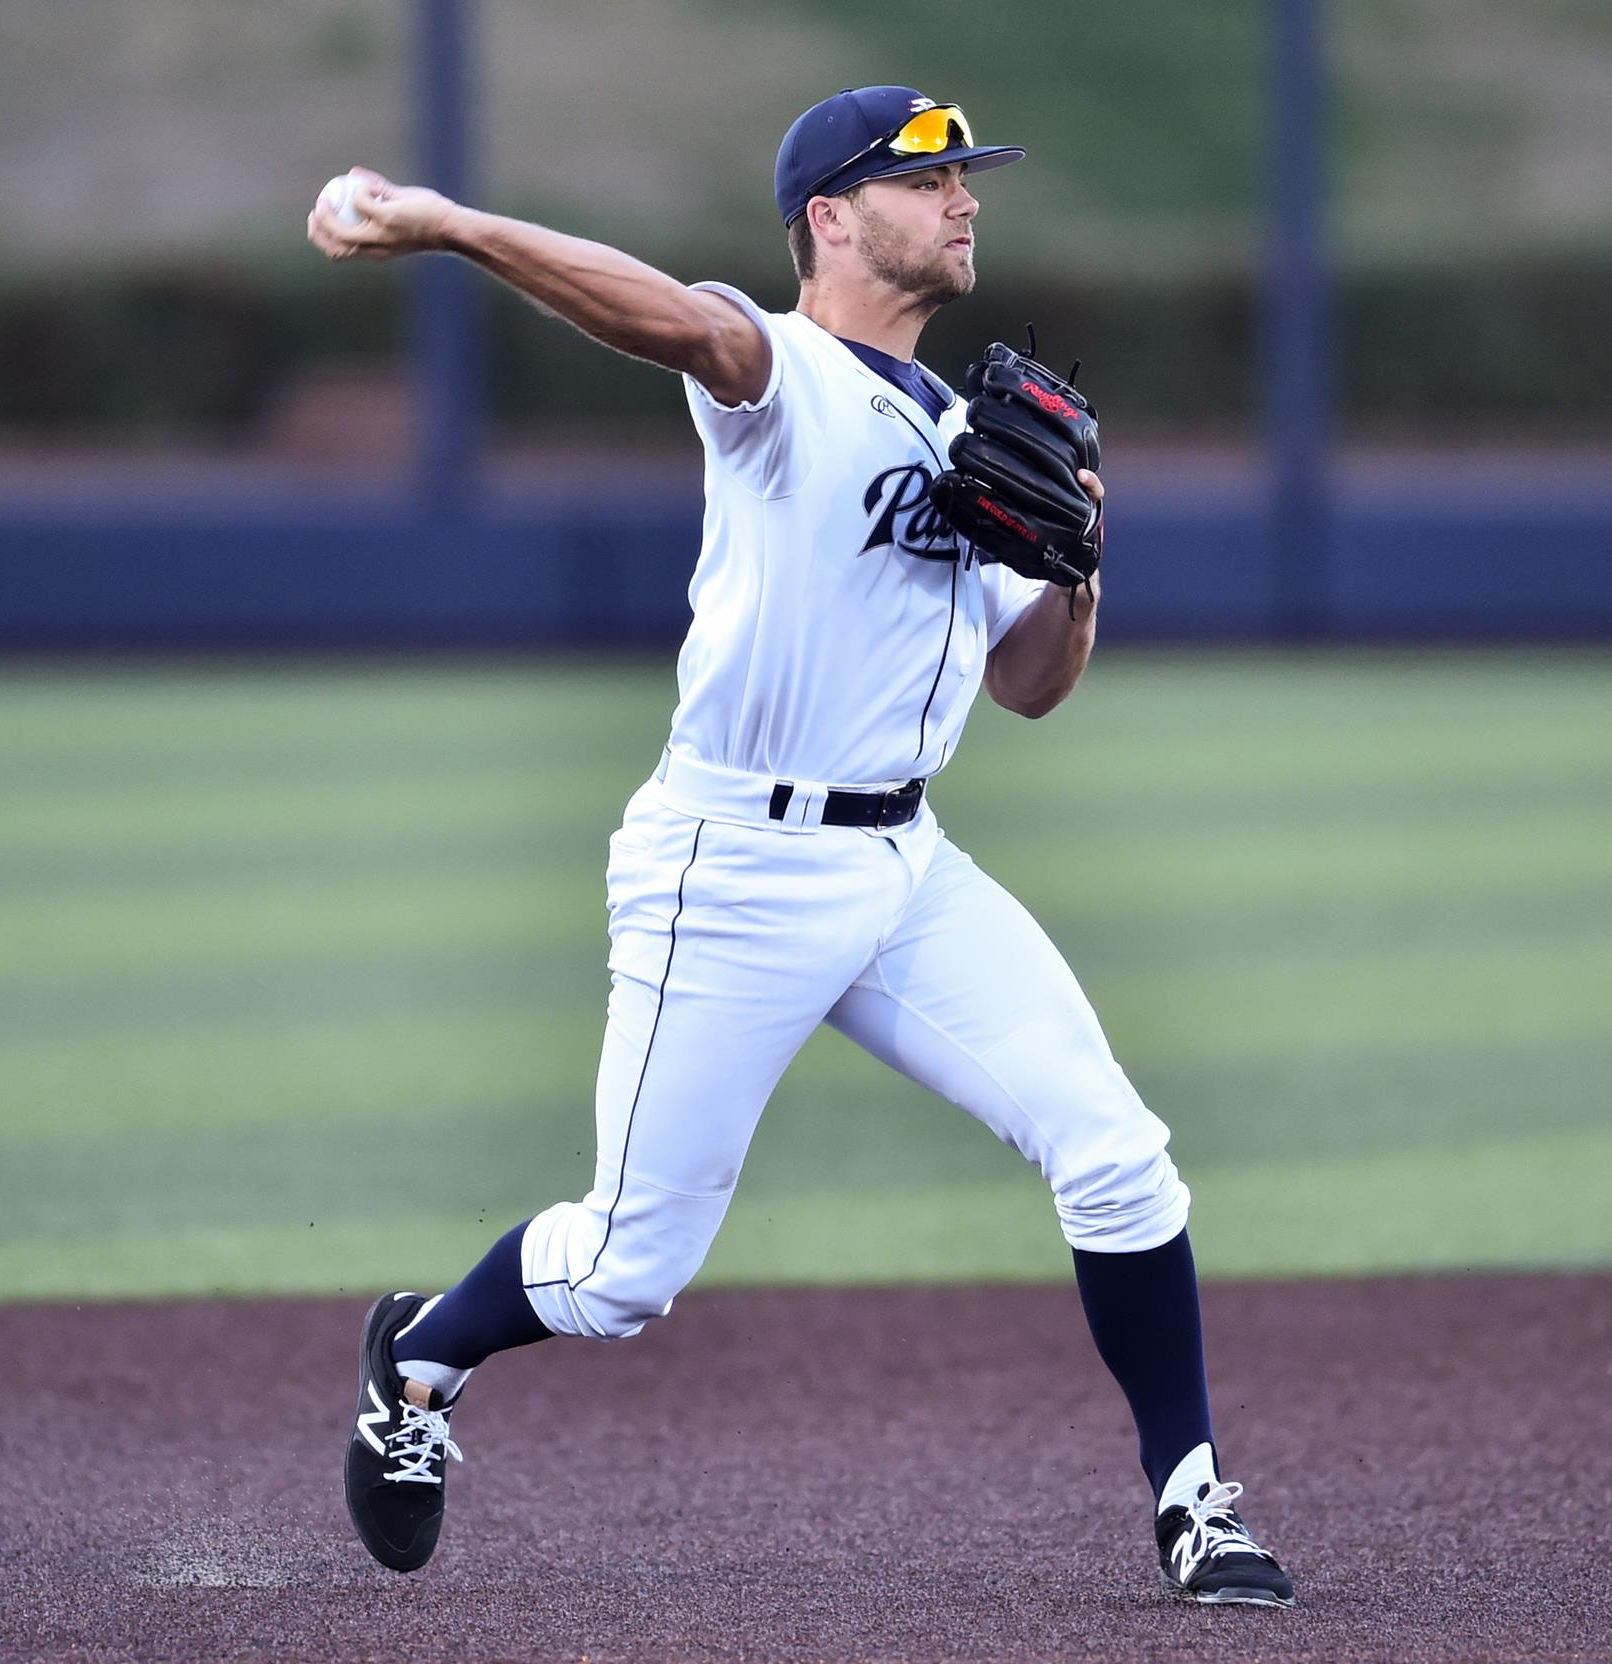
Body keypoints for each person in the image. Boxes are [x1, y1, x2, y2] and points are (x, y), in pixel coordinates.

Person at [305, 86, 1295, 1609]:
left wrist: (1083, 568)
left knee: (1117, 1155)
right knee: (622, 1273)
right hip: (731, 867)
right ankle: (421, 1354)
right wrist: (448, 224)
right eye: (930, 179)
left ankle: (1195, 1503)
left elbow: (1029, 687)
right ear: (830, 218)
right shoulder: (775, 377)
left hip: (905, 872)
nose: (967, 201)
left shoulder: (975, 438)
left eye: (972, 181)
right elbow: (671, 319)